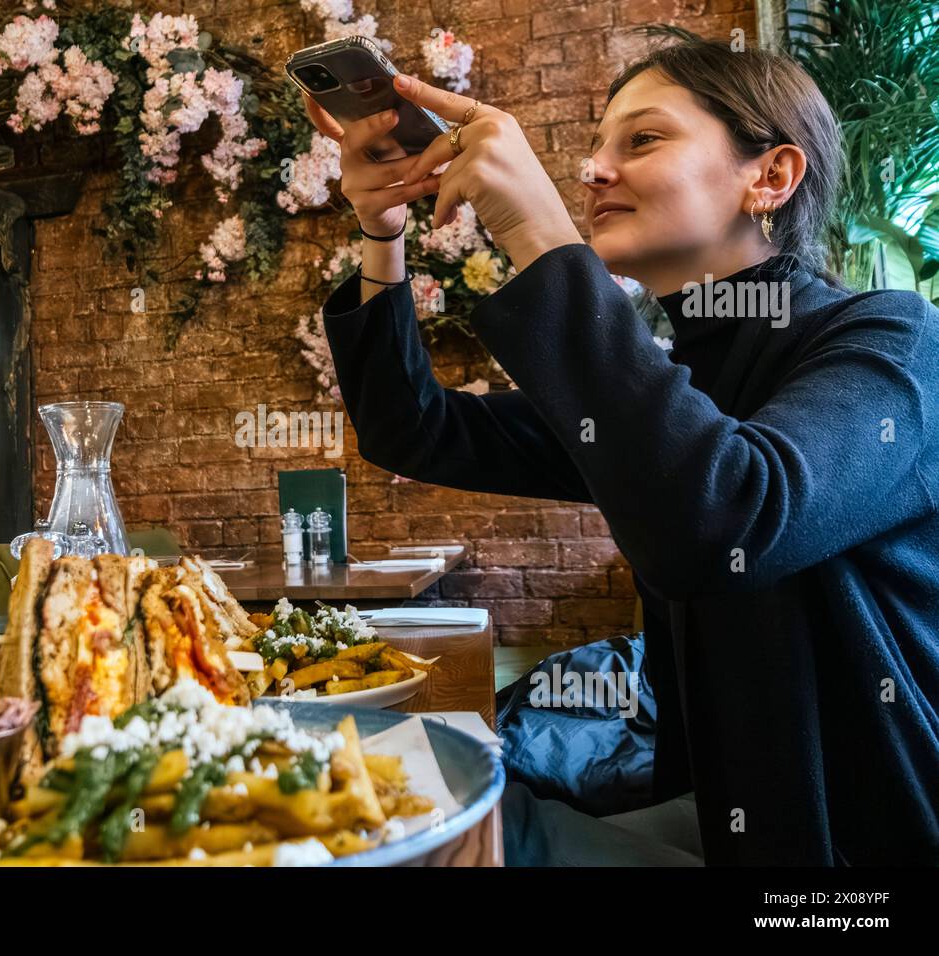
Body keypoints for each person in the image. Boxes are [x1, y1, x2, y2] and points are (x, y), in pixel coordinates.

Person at [305, 36, 939, 865]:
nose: (594, 171)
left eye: (641, 140)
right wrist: (380, 232)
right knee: (398, 788)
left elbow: (726, 516)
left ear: (771, 178)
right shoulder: (669, 382)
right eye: (596, 147)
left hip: (855, 857)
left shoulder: (891, 341)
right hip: (729, 813)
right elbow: (415, 429)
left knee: (434, 831)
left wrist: (539, 236)